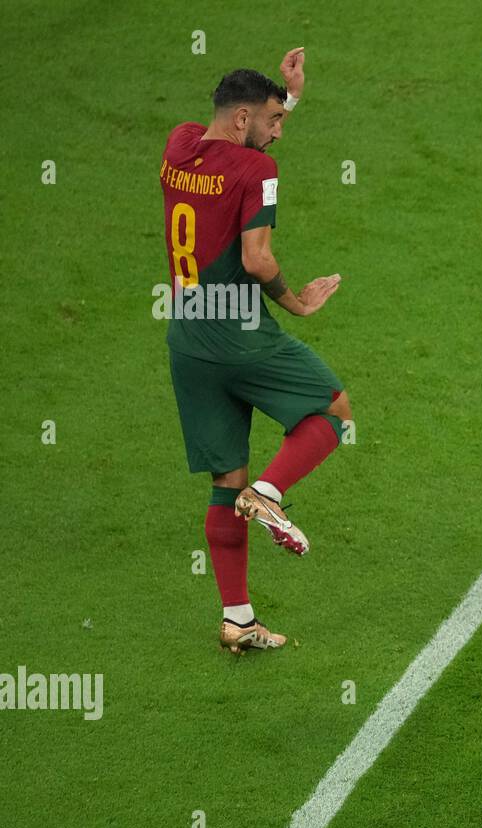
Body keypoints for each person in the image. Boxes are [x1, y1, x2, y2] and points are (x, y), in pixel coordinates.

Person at [161, 49, 348, 653]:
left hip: (188, 342)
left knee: (223, 482)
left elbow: (235, 156)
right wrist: (297, 303)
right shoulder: (256, 173)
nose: (279, 128)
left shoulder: (179, 144)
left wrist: (287, 98)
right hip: (240, 335)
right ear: (244, 120)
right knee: (334, 412)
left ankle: (238, 621)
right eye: (273, 118)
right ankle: (267, 495)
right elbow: (255, 259)